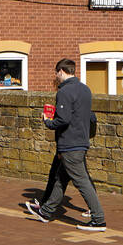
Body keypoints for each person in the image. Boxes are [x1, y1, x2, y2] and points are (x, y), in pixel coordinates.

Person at [24, 58, 106, 232]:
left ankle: (99, 220)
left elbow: (63, 120)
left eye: (56, 73)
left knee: (82, 182)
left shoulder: (65, 92)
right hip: (81, 141)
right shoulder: (85, 90)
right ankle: (46, 212)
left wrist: (47, 121)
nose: (56, 77)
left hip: (70, 144)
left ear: (61, 71)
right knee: (61, 180)